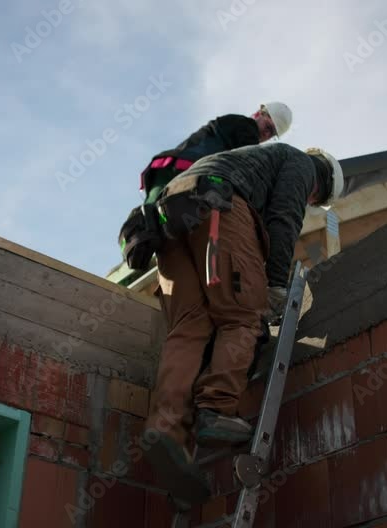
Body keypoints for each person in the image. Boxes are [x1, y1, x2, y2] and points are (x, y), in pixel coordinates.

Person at [141, 142, 345, 504]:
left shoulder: (255, 160)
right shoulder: (300, 164)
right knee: (244, 314)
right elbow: (283, 218)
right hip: (219, 205)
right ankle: (216, 408)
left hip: (171, 213)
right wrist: (277, 285)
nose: (310, 201)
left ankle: (166, 429)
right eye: (315, 199)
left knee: (190, 326)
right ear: (322, 180)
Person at [139, 102, 293, 206]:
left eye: (271, 133)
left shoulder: (233, 127)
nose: (266, 133)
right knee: (151, 222)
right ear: (258, 113)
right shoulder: (246, 126)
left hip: (170, 170)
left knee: (149, 224)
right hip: (183, 171)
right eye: (267, 126)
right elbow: (249, 163)